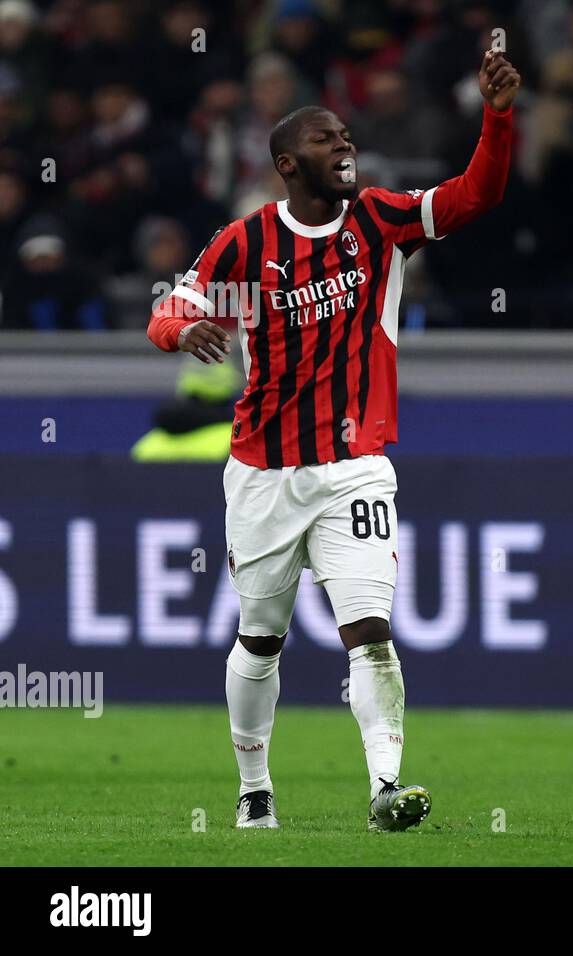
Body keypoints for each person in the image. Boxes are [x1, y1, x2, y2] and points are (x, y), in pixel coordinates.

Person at [145, 48, 520, 831]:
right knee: (260, 640)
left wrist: (497, 116)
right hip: (262, 471)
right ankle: (254, 790)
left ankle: (387, 785)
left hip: (356, 466)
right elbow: (164, 311)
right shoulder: (243, 244)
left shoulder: (380, 221)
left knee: (370, 632)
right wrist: (185, 330)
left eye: (345, 135)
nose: (344, 146)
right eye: (326, 140)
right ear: (288, 163)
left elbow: (478, 193)